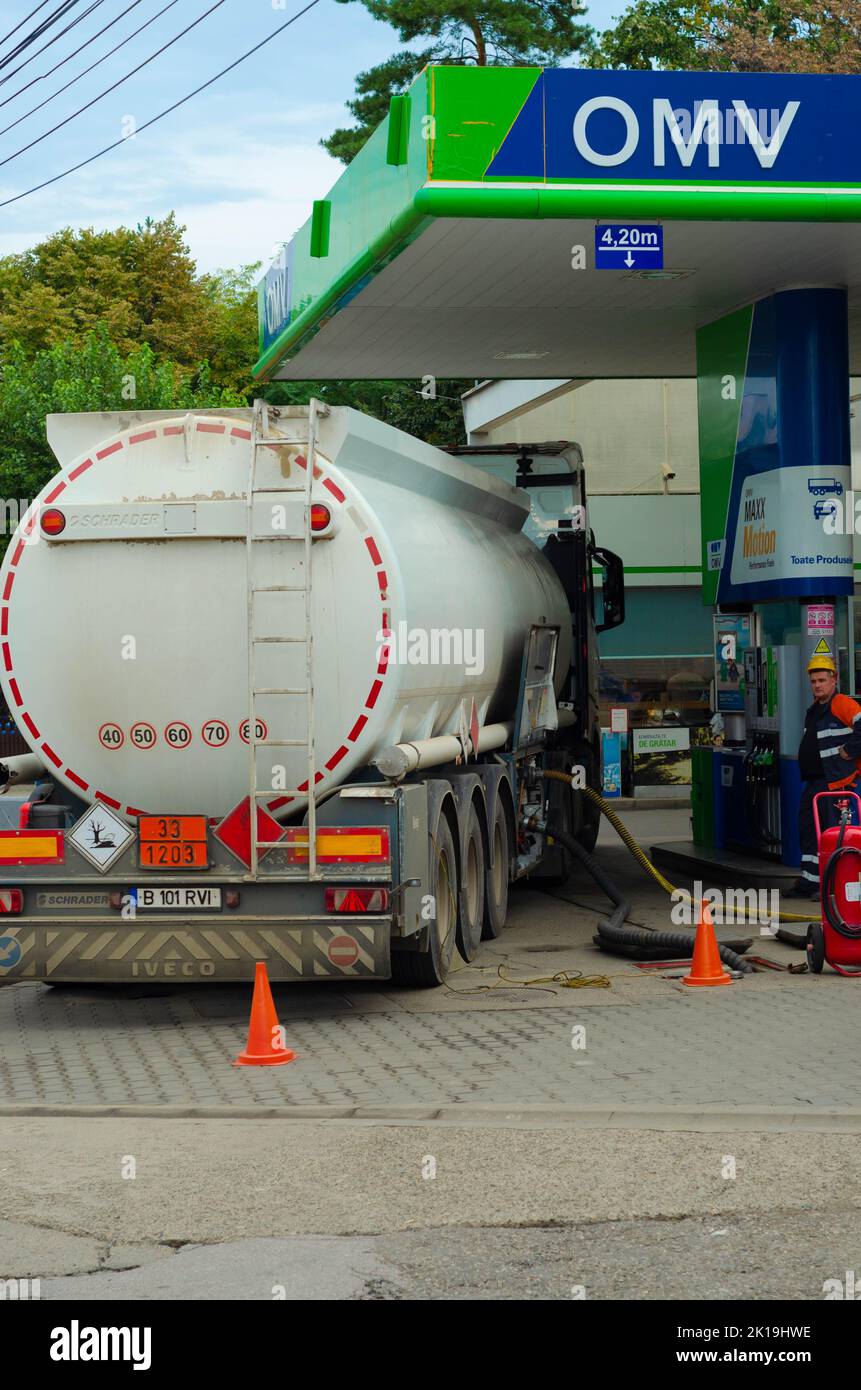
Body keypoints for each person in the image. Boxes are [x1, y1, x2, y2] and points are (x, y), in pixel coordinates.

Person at [795, 656, 861, 897]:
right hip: (817, 782)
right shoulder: (814, 709)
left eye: (822, 680)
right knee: (809, 831)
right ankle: (810, 882)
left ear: (834, 679)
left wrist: (849, 750)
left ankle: (833, 886)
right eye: (813, 681)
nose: (817, 685)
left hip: (835, 783)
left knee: (834, 833)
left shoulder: (842, 703)